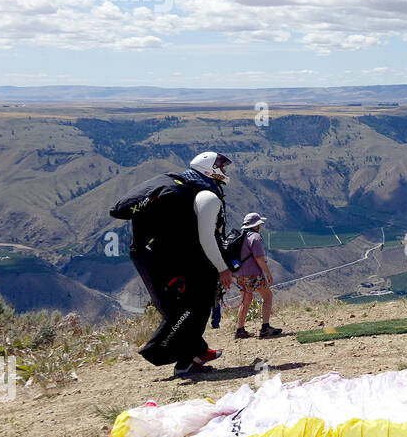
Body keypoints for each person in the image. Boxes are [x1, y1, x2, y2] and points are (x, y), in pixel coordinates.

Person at [114, 151, 233, 376]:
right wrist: (222, 268)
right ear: (210, 169)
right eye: (221, 167)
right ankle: (183, 361)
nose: (224, 171)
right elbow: (207, 238)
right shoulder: (206, 196)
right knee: (193, 307)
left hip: (153, 256)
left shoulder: (187, 187)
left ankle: (198, 352)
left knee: (188, 306)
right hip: (169, 260)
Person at [232, 213, 282, 339]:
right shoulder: (255, 237)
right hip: (254, 275)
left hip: (239, 275)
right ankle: (265, 327)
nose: (260, 226)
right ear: (256, 226)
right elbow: (259, 258)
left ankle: (240, 330)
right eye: (259, 224)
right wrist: (268, 274)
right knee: (267, 296)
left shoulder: (239, 237)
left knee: (245, 301)